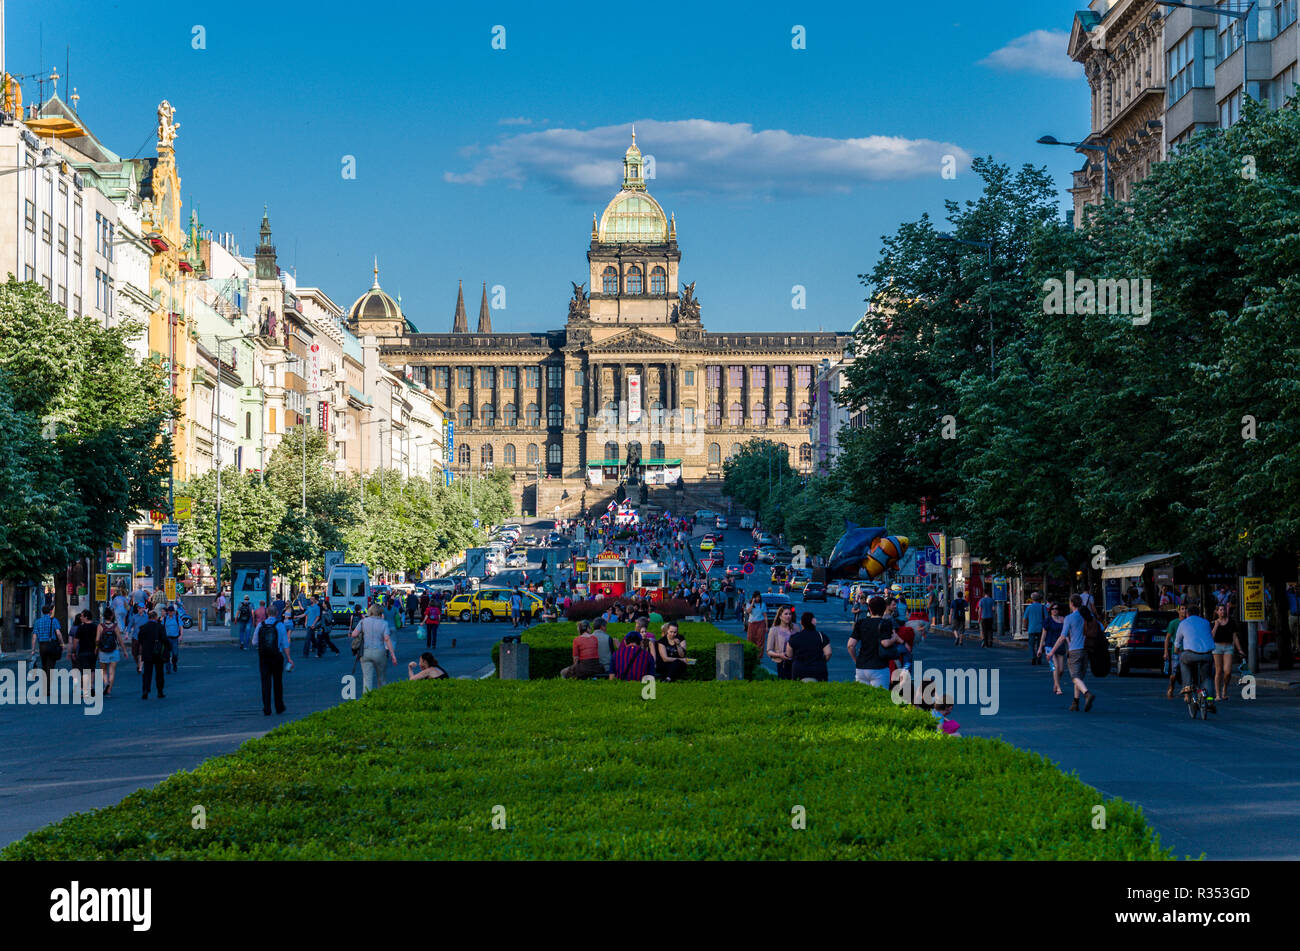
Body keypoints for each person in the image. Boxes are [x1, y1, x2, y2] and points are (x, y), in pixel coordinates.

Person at [1047, 594, 1096, 712]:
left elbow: (1062, 637)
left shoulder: (1069, 618)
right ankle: (1075, 702)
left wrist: (1051, 652)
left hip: (1074, 650)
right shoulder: (1089, 616)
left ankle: (1087, 693)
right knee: (1079, 677)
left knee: (1074, 677)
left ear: (1072, 604)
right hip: (1086, 650)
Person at [848, 596, 906, 688]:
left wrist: (856, 660)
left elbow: (850, 645)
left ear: (869, 609)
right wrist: (894, 639)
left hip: (861, 667)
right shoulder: (886, 623)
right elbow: (885, 643)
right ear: (884, 609)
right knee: (879, 697)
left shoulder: (861, 623)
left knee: (863, 697)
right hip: (879, 667)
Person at [1174, 604, 1215, 708]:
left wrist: (1176, 650)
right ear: (1199, 614)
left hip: (1190, 655)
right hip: (1207, 655)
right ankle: (1210, 700)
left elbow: (1177, 641)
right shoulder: (1206, 622)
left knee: (1183, 660)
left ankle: (1187, 685)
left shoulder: (1183, 623)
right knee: (1207, 677)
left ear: (1187, 614)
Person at [255, 606, 292, 715]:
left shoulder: (260, 625)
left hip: (264, 656)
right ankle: (279, 706)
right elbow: (285, 643)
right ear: (277, 613)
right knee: (277, 682)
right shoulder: (280, 625)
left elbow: (254, 641)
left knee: (265, 682)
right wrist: (289, 658)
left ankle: (267, 708)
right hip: (277, 656)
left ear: (267, 613)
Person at [357, 604, 397, 694]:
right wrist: (393, 655)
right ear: (381, 613)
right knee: (381, 678)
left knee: (367, 679)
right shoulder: (384, 623)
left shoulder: (363, 621)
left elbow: (354, 634)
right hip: (379, 652)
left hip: (365, 652)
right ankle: (381, 697)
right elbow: (387, 639)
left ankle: (366, 699)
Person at [1210, 603, 1245, 702]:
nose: (1222, 612)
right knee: (1218, 670)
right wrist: (1216, 625)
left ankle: (1224, 688)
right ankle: (1217, 694)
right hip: (1217, 647)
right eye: (1220, 610)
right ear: (1217, 612)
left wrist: (1240, 649)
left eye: (1223, 610)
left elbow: (1235, 637)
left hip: (1228, 646)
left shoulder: (1231, 622)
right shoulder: (1214, 622)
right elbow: (1211, 637)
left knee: (1228, 671)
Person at [29, 603, 66, 690]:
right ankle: (47, 687)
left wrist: (33, 649)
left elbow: (34, 637)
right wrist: (62, 644)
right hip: (51, 645)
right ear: (50, 611)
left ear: (42, 612)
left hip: (42, 646)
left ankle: (45, 685)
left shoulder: (37, 622)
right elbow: (58, 633)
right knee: (51, 666)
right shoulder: (54, 620)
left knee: (44, 666)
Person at [787, 611, 831, 682]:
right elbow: (828, 653)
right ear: (814, 622)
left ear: (801, 623)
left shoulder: (794, 637)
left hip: (799, 669)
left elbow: (789, 654)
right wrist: (822, 661)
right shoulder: (821, 636)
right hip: (818, 669)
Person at [136, 610, 168, 699]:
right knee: (159, 673)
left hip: (147, 653)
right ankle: (160, 691)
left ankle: (146, 689)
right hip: (158, 653)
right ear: (156, 617)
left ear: (148, 618)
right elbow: (165, 639)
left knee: (147, 673)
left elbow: (140, 639)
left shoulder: (143, 627)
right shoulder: (160, 627)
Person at [1037, 601, 1067, 695]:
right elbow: (1043, 634)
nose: (1055, 611)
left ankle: (1055, 683)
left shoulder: (1063, 619)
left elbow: (1066, 634)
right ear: (1050, 610)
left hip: (1060, 646)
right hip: (1049, 645)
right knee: (1055, 667)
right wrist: (1040, 648)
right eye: (1053, 609)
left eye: (1056, 609)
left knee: (1061, 670)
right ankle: (1058, 688)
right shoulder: (1048, 620)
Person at [96, 607, 124, 698]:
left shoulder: (100, 626)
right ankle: (109, 689)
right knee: (112, 671)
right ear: (112, 616)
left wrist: (96, 648)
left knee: (103, 670)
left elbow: (97, 639)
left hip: (103, 651)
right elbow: (120, 640)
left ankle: (106, 683)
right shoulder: (115, 626)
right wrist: (124, 650)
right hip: (114, 650)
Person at [71, 611, 100, 696]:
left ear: (86, 617)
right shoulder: (96, 627)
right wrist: (97, 649)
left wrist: (73, 651)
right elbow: (98, 639)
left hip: (83, 651)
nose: (81, 617)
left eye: (82, 616)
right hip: (93, 651)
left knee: (84, 671)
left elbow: (76, 641)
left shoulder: (81, 628)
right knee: (92, 669)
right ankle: (91, 687)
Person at [765, 604, 797, 680]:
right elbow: (769, 651)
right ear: (780, 616)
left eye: (790, 614)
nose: (788, 616)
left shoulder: (796, 628)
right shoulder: (774, 630)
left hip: (795, 663)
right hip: (781, 663)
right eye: (786, 614)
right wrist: (779, 655)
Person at [1163, 603, 1187, 699]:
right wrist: (1165, 652)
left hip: (1187, 651)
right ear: (1178, 611)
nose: (1184, 611)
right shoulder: (1173, 623)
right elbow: (1167, 638)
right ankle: (1171, 687)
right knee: (1174, 674)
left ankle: (1186, 691)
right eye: (1182, 609)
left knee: (1186, 672)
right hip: (1176, 652)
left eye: (1185, 609)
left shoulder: (1188, 622)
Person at [1024, 592, 1047, 664]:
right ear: (1039, 599)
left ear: (1032, 599)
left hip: (1031, 628)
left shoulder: (1029, 607)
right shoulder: (1043, 607)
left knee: (1031, 644)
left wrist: (1025, 626)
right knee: (1040, 644)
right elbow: (1046, 618)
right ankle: (1039, 657)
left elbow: (1025, 618)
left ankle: (1033, 657)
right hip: (1041, 628)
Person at [162, 604, 183, 673]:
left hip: (175, 638)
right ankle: (168, 668)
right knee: (167, 654)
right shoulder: (165, 619)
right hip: (167, 639)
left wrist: (181, 636)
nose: (170, 612)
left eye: (172, 611)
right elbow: (162, 628)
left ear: (174, 612)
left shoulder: (177, 618)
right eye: (169, 611)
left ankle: (174, 664)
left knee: (175, 654)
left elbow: (181, 627)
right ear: (167, 612)